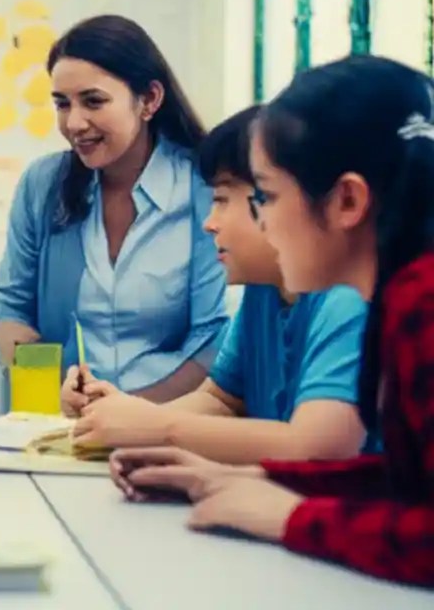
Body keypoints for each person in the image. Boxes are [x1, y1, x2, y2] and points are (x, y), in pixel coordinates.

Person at [114, 56, 434, 587]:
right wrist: (254, 477)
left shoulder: (421, 301)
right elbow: (412, 485)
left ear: (347, 201)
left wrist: (287, 515)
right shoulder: (402, 293)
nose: (260, 219)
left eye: (266, 196)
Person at [66, 106, 373, 464]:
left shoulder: (348, 298)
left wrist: (160, 427)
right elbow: (221, 400)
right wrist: (129, 416)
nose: (210, 224)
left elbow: (320, 448)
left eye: (223, 201)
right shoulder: (265, 291)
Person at [0, 15, 227, 401]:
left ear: (149, 99)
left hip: (168, 420)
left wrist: (127, 412)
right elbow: (11, 309)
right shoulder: (42, 185)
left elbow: (213, 337)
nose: (75, 123)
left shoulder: (204, 187)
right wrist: (51, 397)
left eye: (93, 101)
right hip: (59, 423)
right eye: (62, 104)